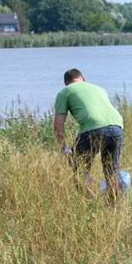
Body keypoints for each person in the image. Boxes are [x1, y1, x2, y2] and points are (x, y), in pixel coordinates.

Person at [53, 68, 125, 199]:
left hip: (93, 130)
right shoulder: (99, 88)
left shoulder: (65, 92)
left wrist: (65, 149)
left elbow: (58, 126)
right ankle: (114, 207)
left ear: (66, 83)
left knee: (79, 172)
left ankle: (93, 204)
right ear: (83, 79)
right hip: (117, 127)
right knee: (111, 171)